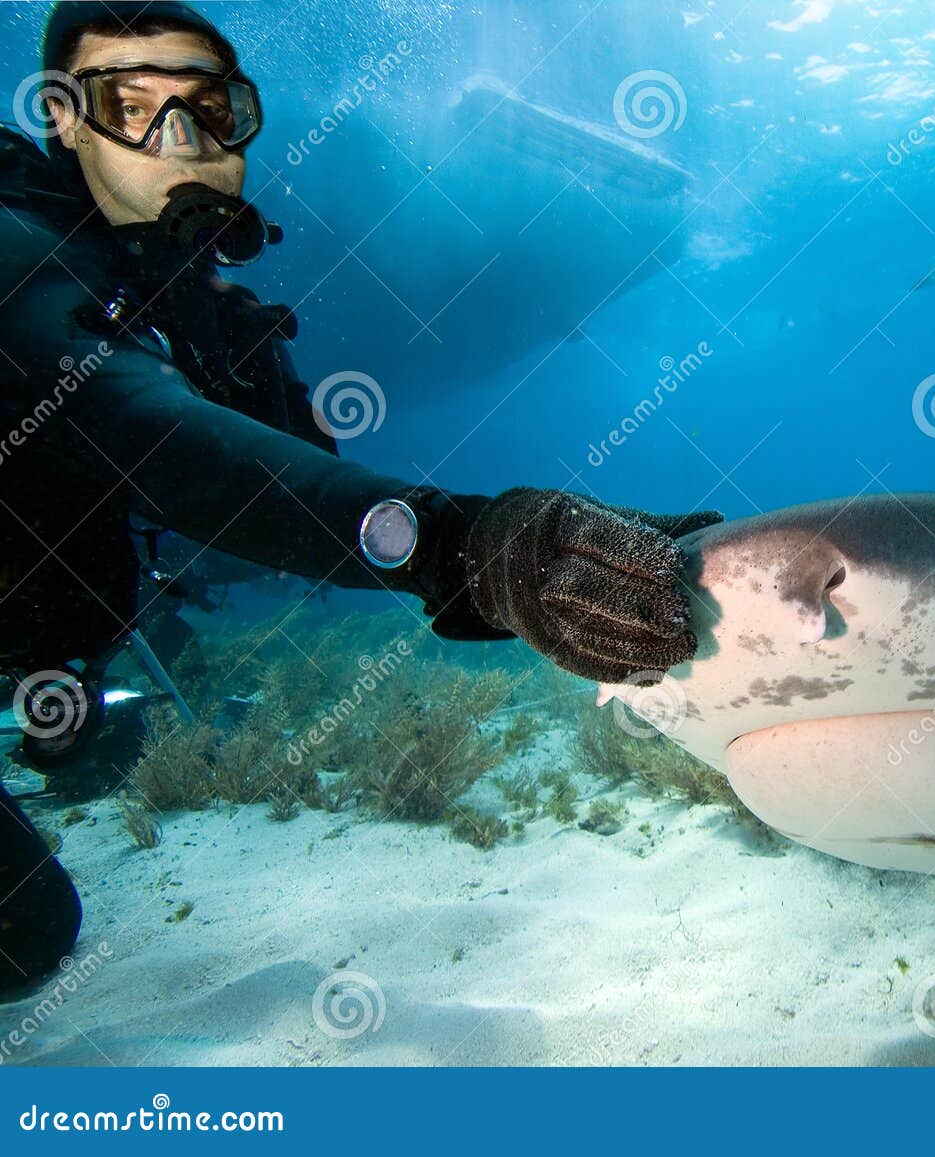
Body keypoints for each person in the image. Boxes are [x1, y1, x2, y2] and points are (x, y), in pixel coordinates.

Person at [0, 1, 719, 996]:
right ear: (61, 124)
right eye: (134, 107)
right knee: (25, 935)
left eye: (212, 110)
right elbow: (150, 441)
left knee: (24, 935)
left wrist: (59, 690)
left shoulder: (189, 313)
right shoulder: (18, 261)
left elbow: (265, 502)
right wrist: (472, 545)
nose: (184, 144)